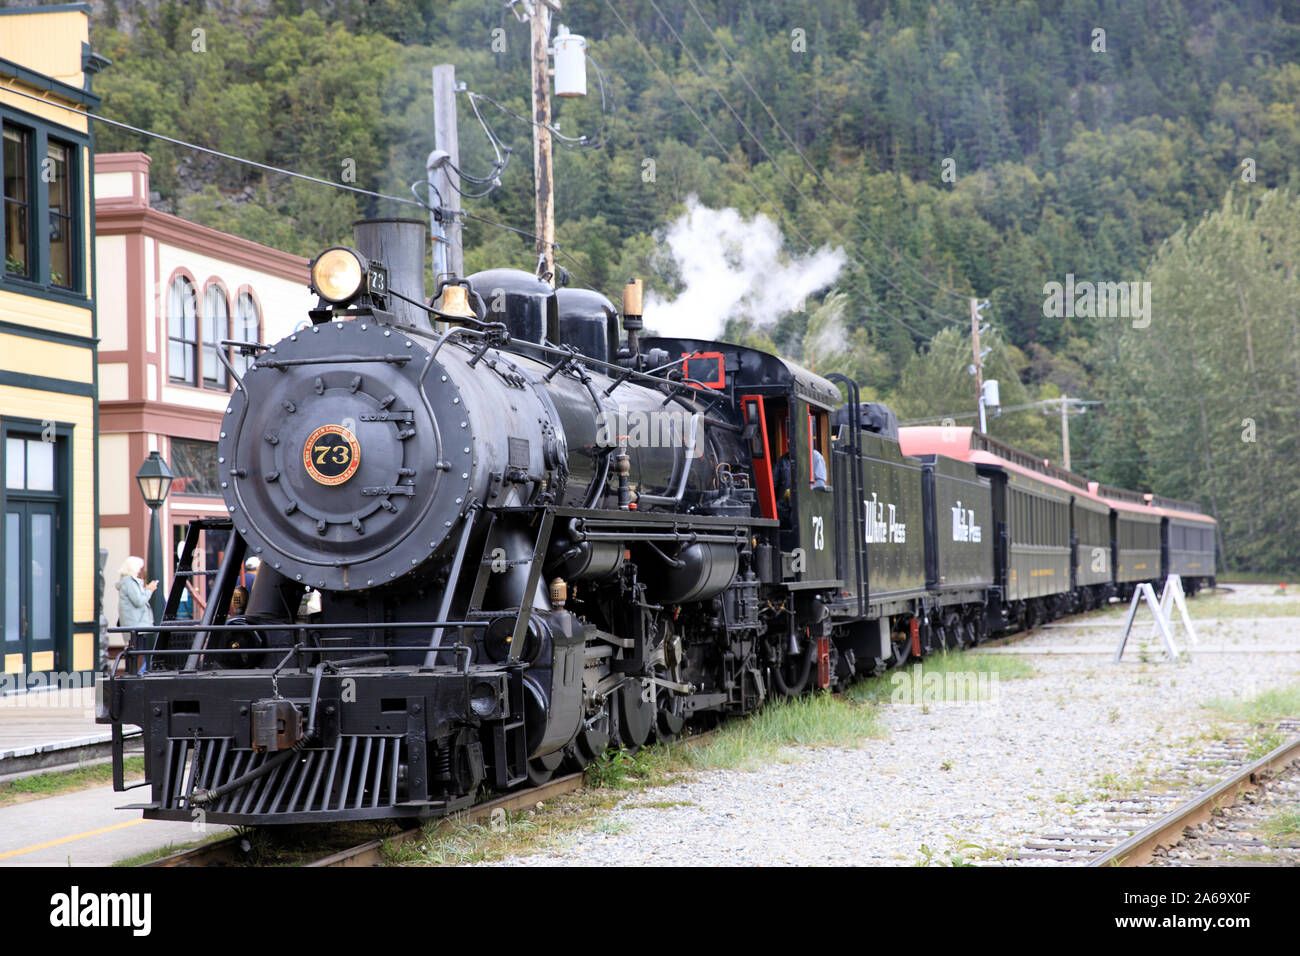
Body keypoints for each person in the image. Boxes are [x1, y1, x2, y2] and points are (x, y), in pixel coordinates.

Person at [116, 556, 156, 629]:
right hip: (136, 625)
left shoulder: (128, 582)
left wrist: (146, 590)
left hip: (135, 624)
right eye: (138, 568)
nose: (139, 571)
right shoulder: (130, 583)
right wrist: (149, 590)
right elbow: (139, 601)